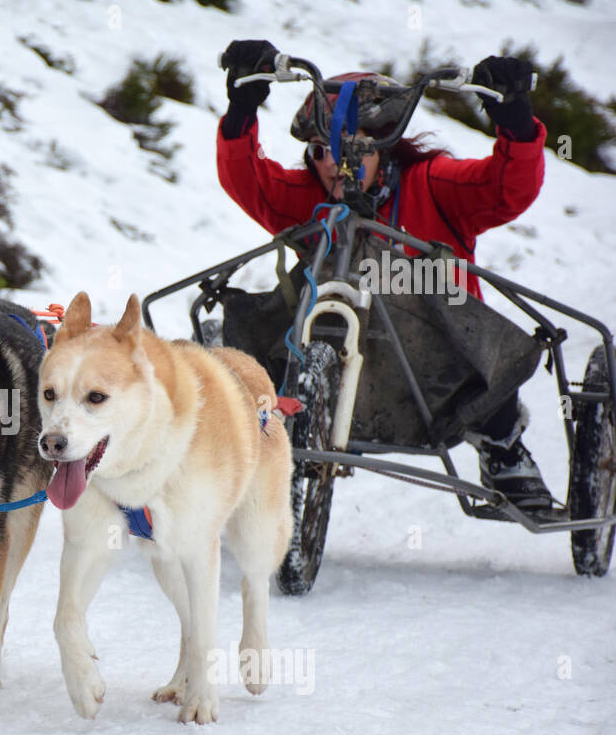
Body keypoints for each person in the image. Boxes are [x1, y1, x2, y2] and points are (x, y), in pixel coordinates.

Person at [215, 39, 553, 511]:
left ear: (386, 147)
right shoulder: (312, 197)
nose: (332, 164)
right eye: (319, 151)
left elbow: (505, 188)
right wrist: (240, 112)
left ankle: (502, 445)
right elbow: (249, 181)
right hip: (333, 356)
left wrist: (515, 124)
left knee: (430, 295)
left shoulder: (433, 184)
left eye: (351, 150)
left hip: (441, 372)